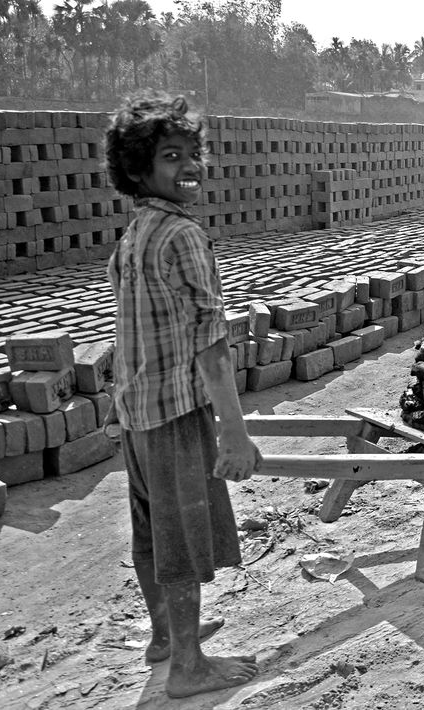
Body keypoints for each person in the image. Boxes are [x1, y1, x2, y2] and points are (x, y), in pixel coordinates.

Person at [104, 91, 262, 699]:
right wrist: (236, 431)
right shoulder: (183, 236)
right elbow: (211, 342)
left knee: (151, 532)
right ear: (139, 170)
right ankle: (188, 666)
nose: (191, 167)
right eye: (174, 156)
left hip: (137, 413)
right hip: (173, 412)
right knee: (181, 535)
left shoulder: (136, 233)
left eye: (195, 154)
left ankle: (165, 636)